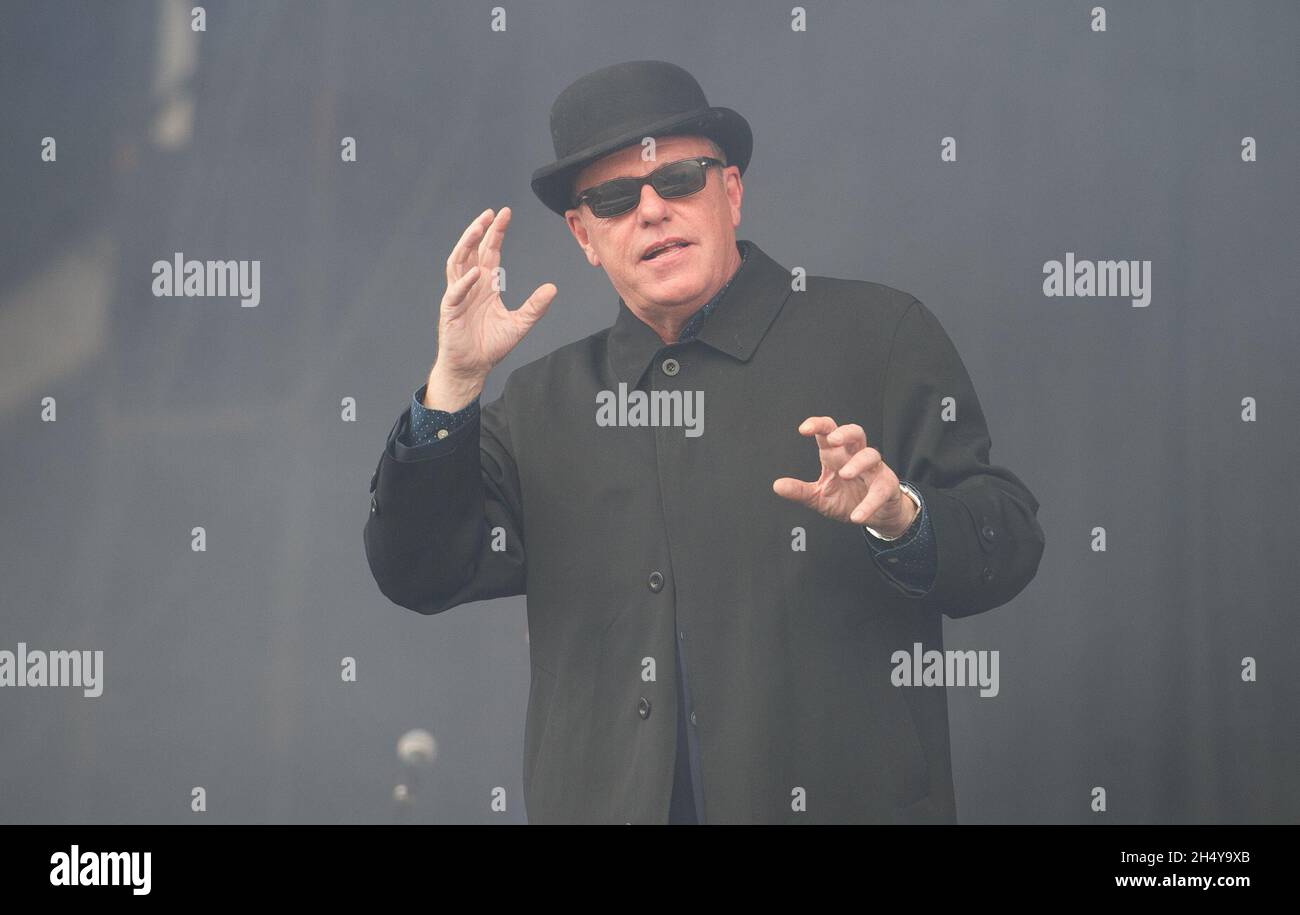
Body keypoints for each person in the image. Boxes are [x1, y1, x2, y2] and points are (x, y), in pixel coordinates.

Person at [363, 60, 1046, 823]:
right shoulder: (537, 404)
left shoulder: (878, 336)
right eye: (616, 198)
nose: (652, 209)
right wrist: (453, 382)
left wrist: (904, 521)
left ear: (731, 192)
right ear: (585, 236)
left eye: (680, 179)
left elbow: (1008, 540)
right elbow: (418, 570)